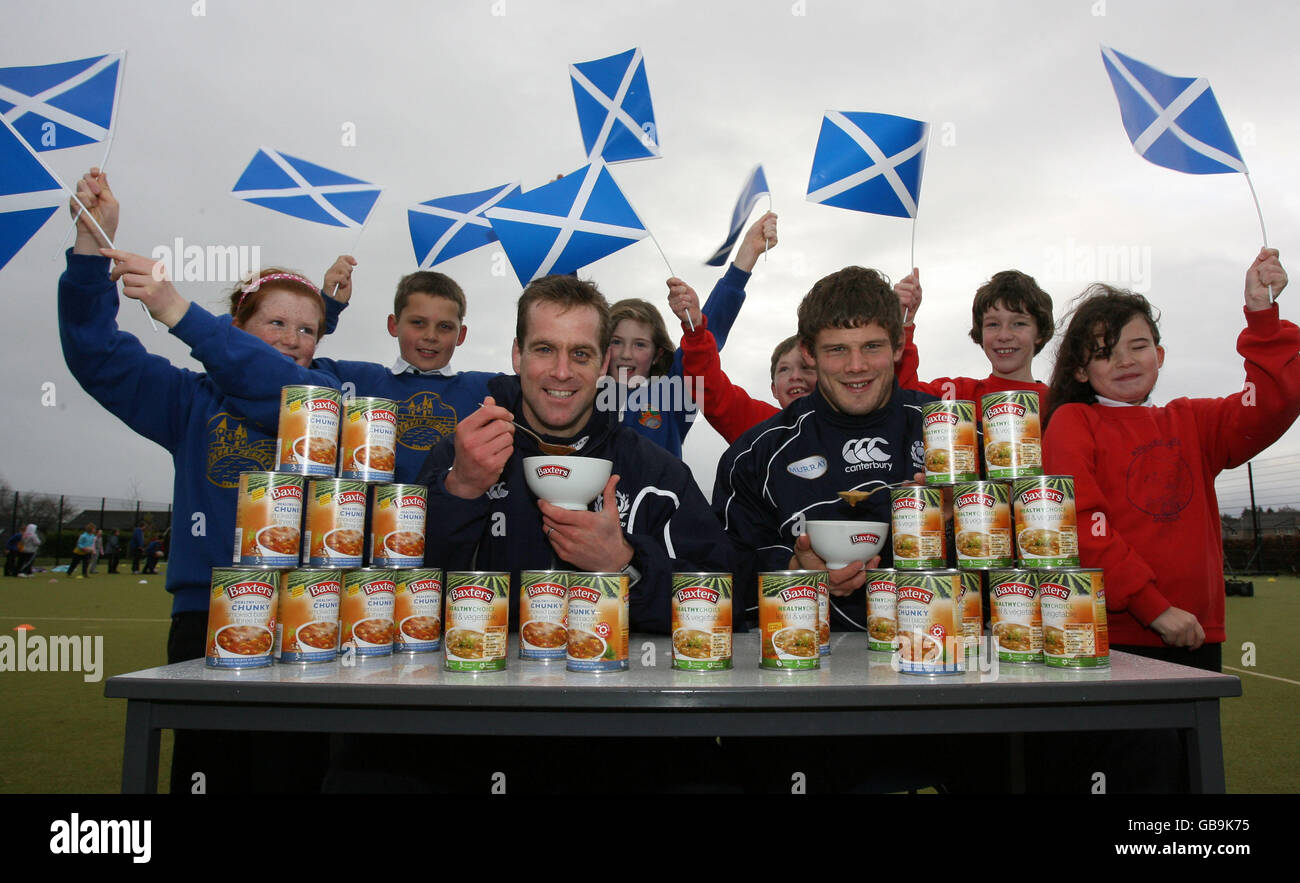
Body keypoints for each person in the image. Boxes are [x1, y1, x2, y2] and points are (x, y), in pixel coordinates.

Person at [60, 168, 330, 791]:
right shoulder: (191, 400)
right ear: (234, 328)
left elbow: (280, 389)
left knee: (298, 776)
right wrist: (88, 251)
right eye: (275, 324)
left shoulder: (326, 401)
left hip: (311, 613)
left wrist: (177, 311)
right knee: (210, 773)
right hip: (205, 616)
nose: (292, 341)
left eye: (307, 330)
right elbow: (95, 354)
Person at [1037, 249, 1294, 793]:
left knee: (1190, 777)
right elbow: (1080, 523)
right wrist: (1153, 607)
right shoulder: (1072, 421)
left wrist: (1262, 316)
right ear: (1081, 369)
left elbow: (1273, 403)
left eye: (1138, 346)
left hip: (1195, 635)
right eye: (1104, 353)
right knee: (1134, 779)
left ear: (1159, 353)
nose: (1125, 361)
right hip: (1118, 637)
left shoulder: (1192, 420)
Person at [419, 273, 736, 632]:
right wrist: (461, 493)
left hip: (621, 668)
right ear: (518, 355)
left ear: (603, 364)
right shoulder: (461, 455)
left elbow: (730, 603)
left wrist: (624, 564)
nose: (562, 372)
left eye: (580, 354)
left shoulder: (655, 471)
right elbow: (403, 590)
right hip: (484, 666)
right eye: (544, 349)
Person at [713, 265, 936, 632]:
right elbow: (719, 577)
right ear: (809, 353)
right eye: (837, 350)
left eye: (872, 346)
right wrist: (793, 570)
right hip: (803, 658)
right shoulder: (755, 456)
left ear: (898, 346)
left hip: (945, 655)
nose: (856, 366)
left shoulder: (951, 435)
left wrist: (953, 519)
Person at [187, 262, 499, 482]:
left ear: (461, 335)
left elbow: (530, 374)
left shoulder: (484, 388)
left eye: (445, 327)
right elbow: (285, 364)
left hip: (452, 540)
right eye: (418, 323)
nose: (430, 336)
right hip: (367, 546)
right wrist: (327, 307)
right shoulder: (355, 380)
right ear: (393, 325)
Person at [601, 212, 778, 457]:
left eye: (640, 344)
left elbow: (705, 337)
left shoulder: (672, 394)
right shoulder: (580, 392)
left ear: (657, 354)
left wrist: (745, 258)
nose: (626, 354)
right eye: (616, 342)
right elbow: (566, 321)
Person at [672, 281, 816, 444]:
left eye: (806, 367)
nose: (795, 376)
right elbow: (712, 391)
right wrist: (695, 329)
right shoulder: (763, 426)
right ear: (774, 389)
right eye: (784, 369)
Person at [894, 268, 1054, 407]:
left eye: (1019, 324)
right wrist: (901, 322)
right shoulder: (954, 396)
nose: (1004, 336)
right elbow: (900, 399)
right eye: (993, 324)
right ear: (980, 332)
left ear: (1039, 333)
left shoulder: (1056, 404)